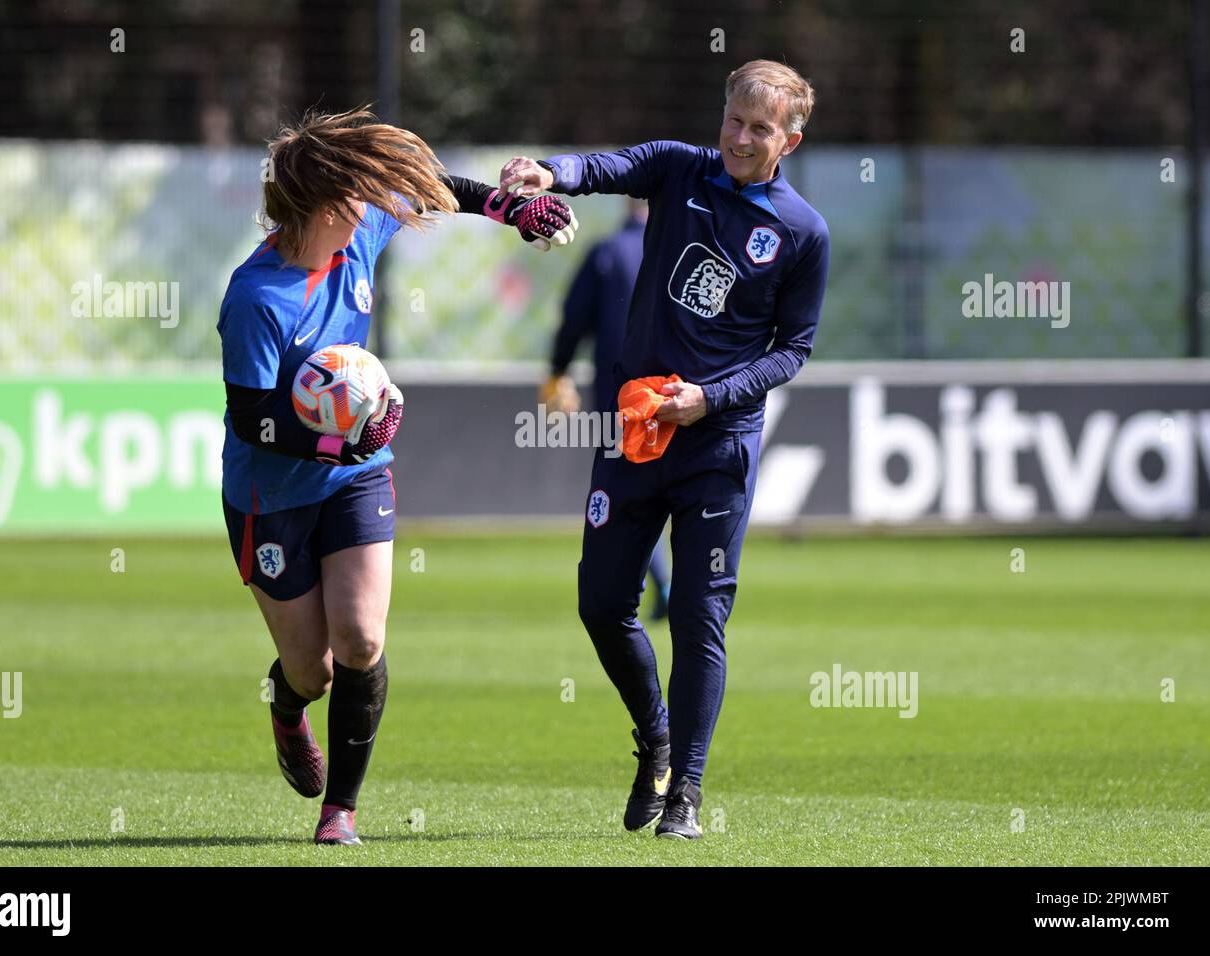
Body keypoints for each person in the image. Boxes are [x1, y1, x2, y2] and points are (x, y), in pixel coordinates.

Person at [219, 108, 578, 845]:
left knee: (359, 639)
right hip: (272, 494)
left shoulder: (358, 234)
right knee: (312, 670)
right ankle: (286, 711)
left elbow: (430, 184)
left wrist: (515, 210)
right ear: (320, 210)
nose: (368, 214)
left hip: (357, 475)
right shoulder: (256, 298)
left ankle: (339, 814)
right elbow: (251, 417)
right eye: (353, 204)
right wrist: (334, 443)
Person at [499, 59, 829, 839]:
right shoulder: (679, 171)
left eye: (761, 128)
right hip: (636, 433)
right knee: (601, 604)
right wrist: (547, 172)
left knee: (696, 615)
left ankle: (687, 792)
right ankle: (656, 738)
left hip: (717, 444)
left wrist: (709, 398)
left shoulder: (803, 231)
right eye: (735, 120)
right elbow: (604, 167)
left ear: (790, 138)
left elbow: (795, 349)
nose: (741, 138)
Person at [541, 198, 672, 619]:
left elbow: (574, 317)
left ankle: (647, 584)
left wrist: (558, 371)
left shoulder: (607, 253)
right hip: (679, 397)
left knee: (625, 493)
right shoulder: (680, 250)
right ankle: (683, 587)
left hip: (620, 401)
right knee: (677, 489)